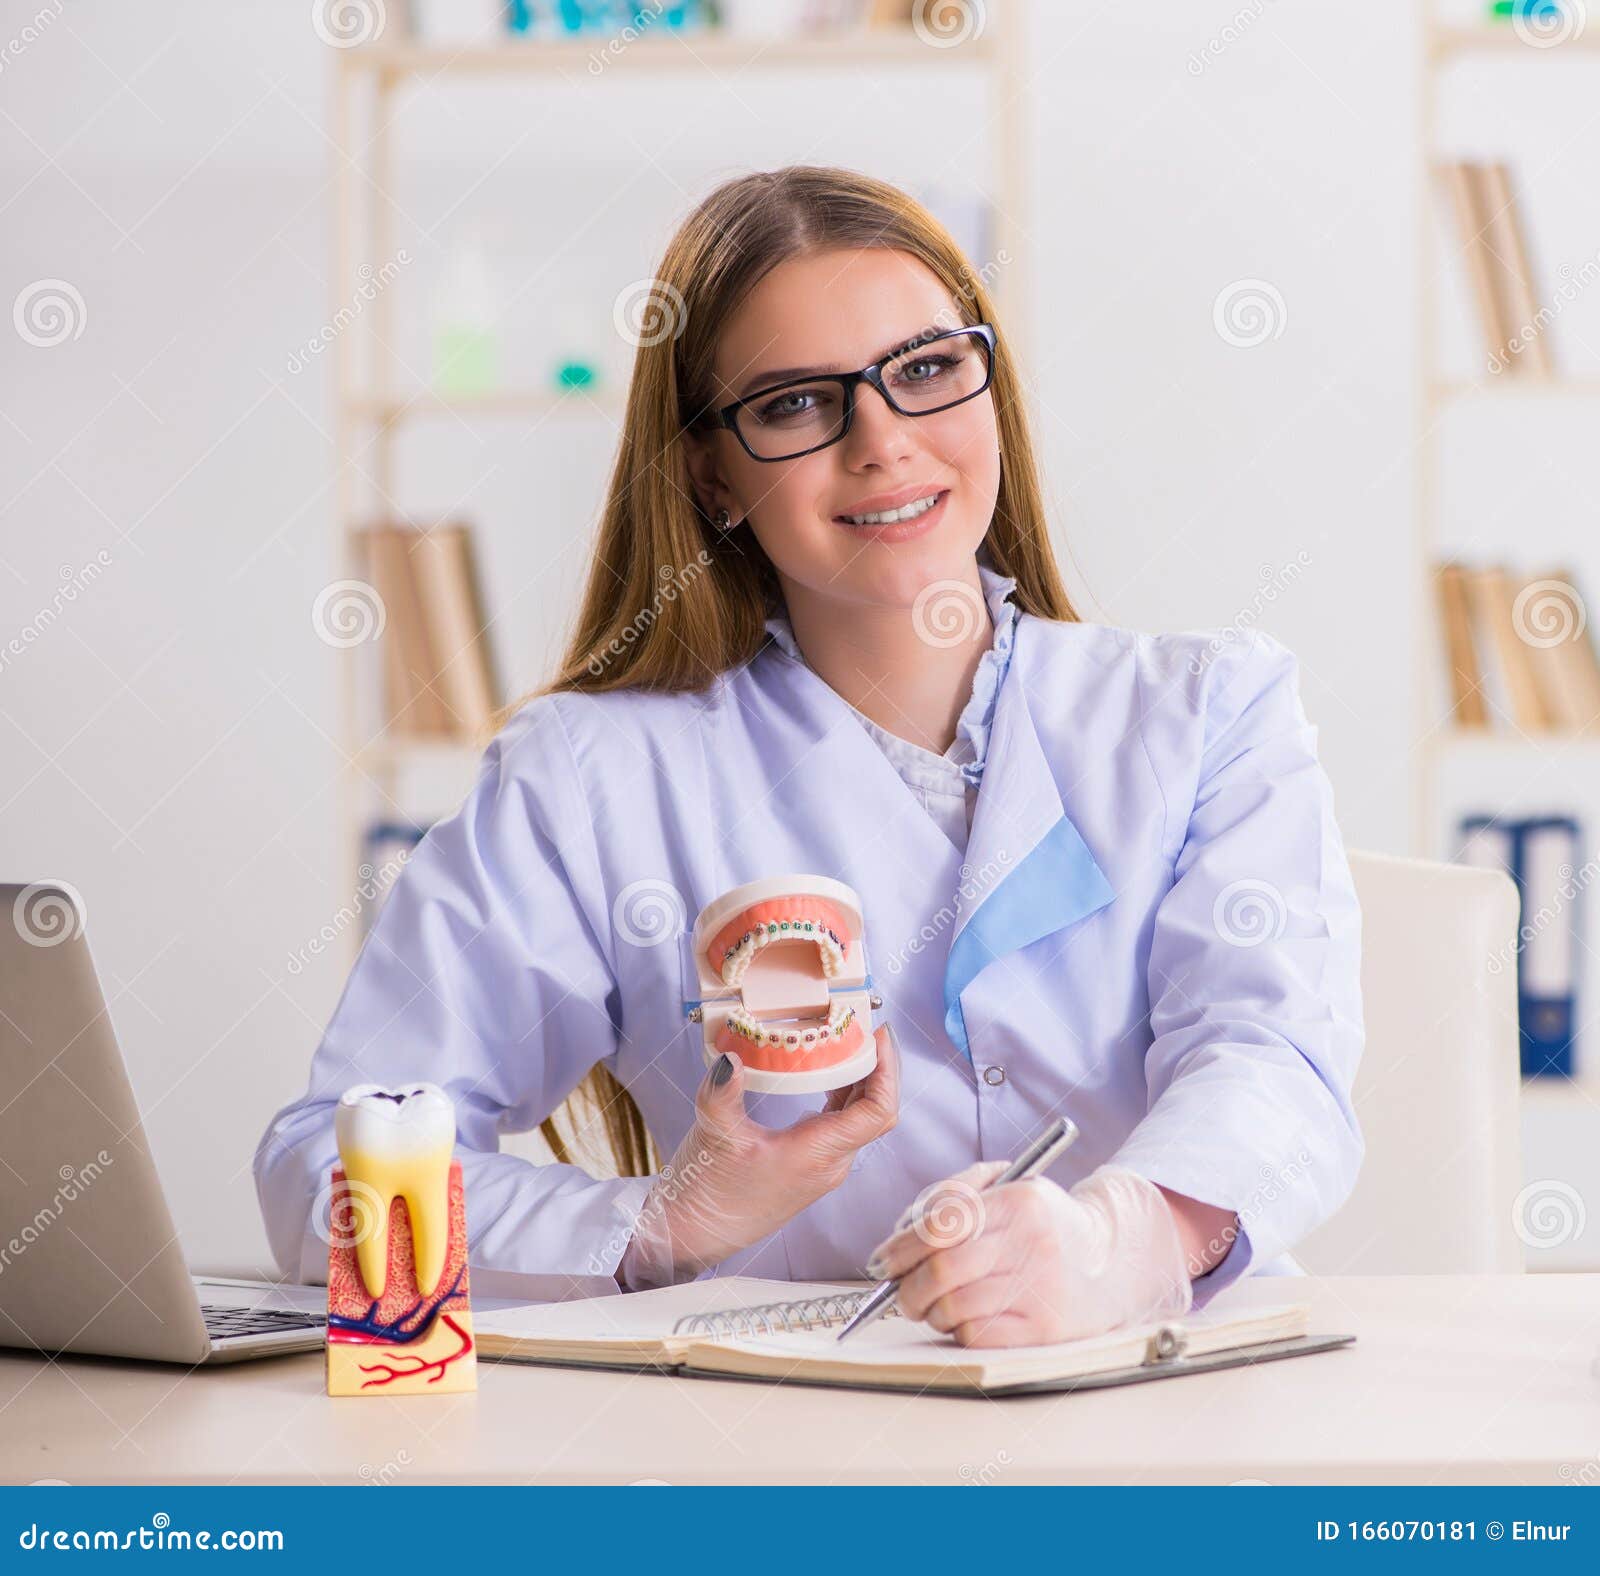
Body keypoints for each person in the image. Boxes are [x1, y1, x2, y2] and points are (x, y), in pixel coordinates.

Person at [256, 166, 1363, 1347]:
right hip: (791, 1446)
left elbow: (1273, 1058)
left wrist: (1120, 1245)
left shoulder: (1207, 711)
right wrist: (656, 1227)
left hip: (1174, 1404)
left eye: (928, 369)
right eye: (794, 404)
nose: (883, 443)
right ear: (710, 473)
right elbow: (329, 1164)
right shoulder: (590, 776)